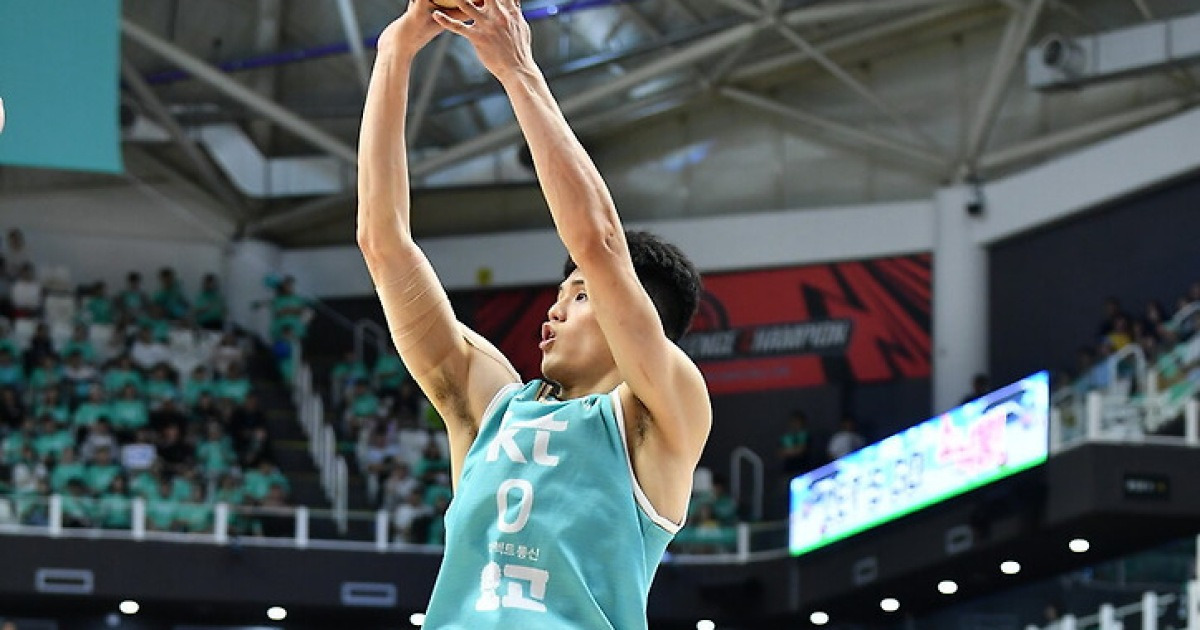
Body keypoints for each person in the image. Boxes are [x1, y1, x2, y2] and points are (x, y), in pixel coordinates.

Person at [356, 5, 711, 627]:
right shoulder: (490, 406)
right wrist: (397, 50)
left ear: (640, 315)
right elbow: (383, 245)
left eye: (578, 295)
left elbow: (600, 245)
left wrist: (517, 69)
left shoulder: (659, 416)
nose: (554, 306)